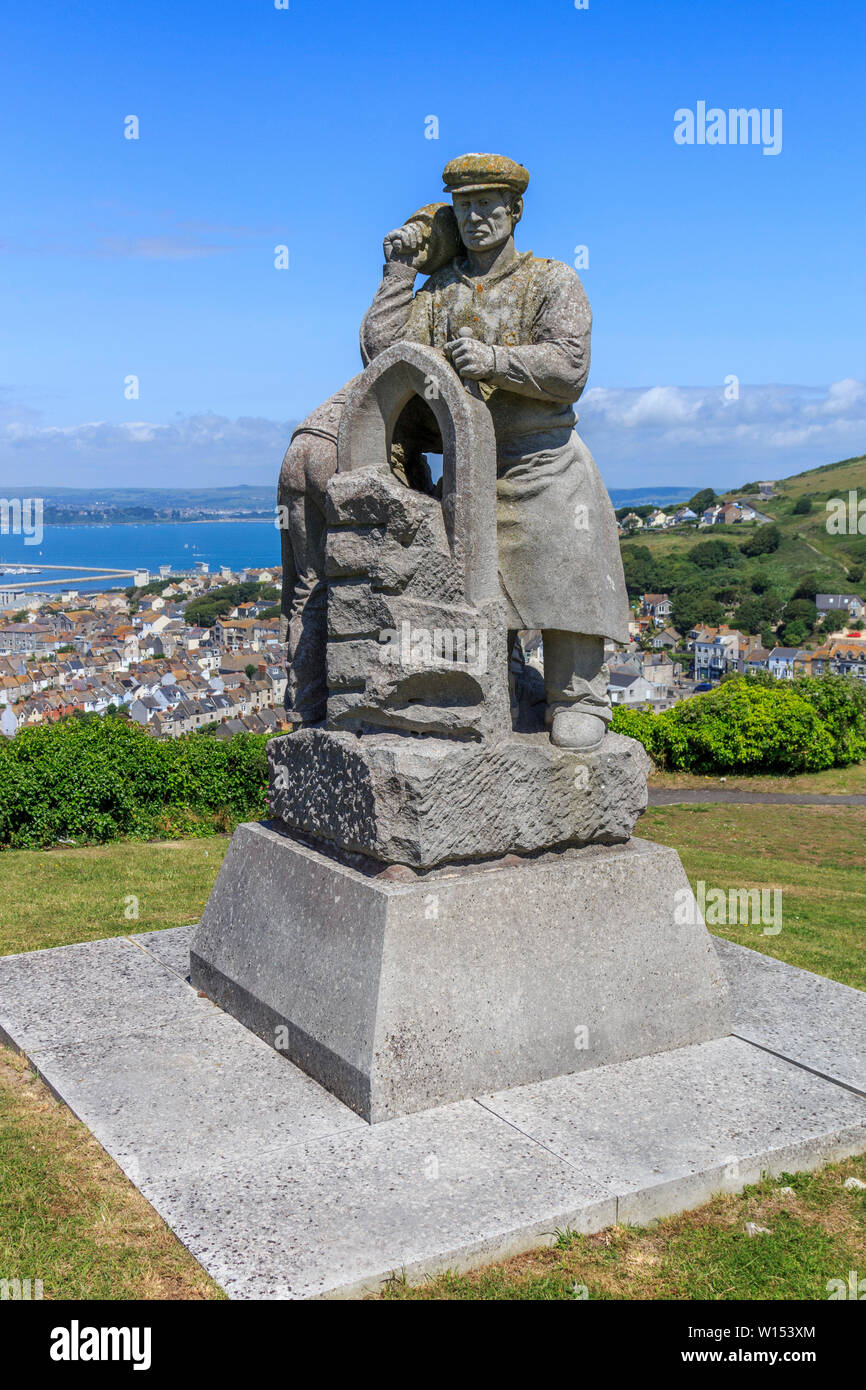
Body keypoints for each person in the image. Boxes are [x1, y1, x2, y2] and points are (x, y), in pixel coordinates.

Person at [359, 153, 629, 750]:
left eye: (488, 204)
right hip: (471, 466)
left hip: (544, 460)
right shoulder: (439, 290)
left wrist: (497, 361)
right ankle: (500, 686)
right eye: (464, 206)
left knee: (568, 577)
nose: (477, 216)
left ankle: (577, 695)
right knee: (471, 588)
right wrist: (399, 274)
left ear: (515, 209)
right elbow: (383, 357)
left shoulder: (552, 280)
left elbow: (570, 367)